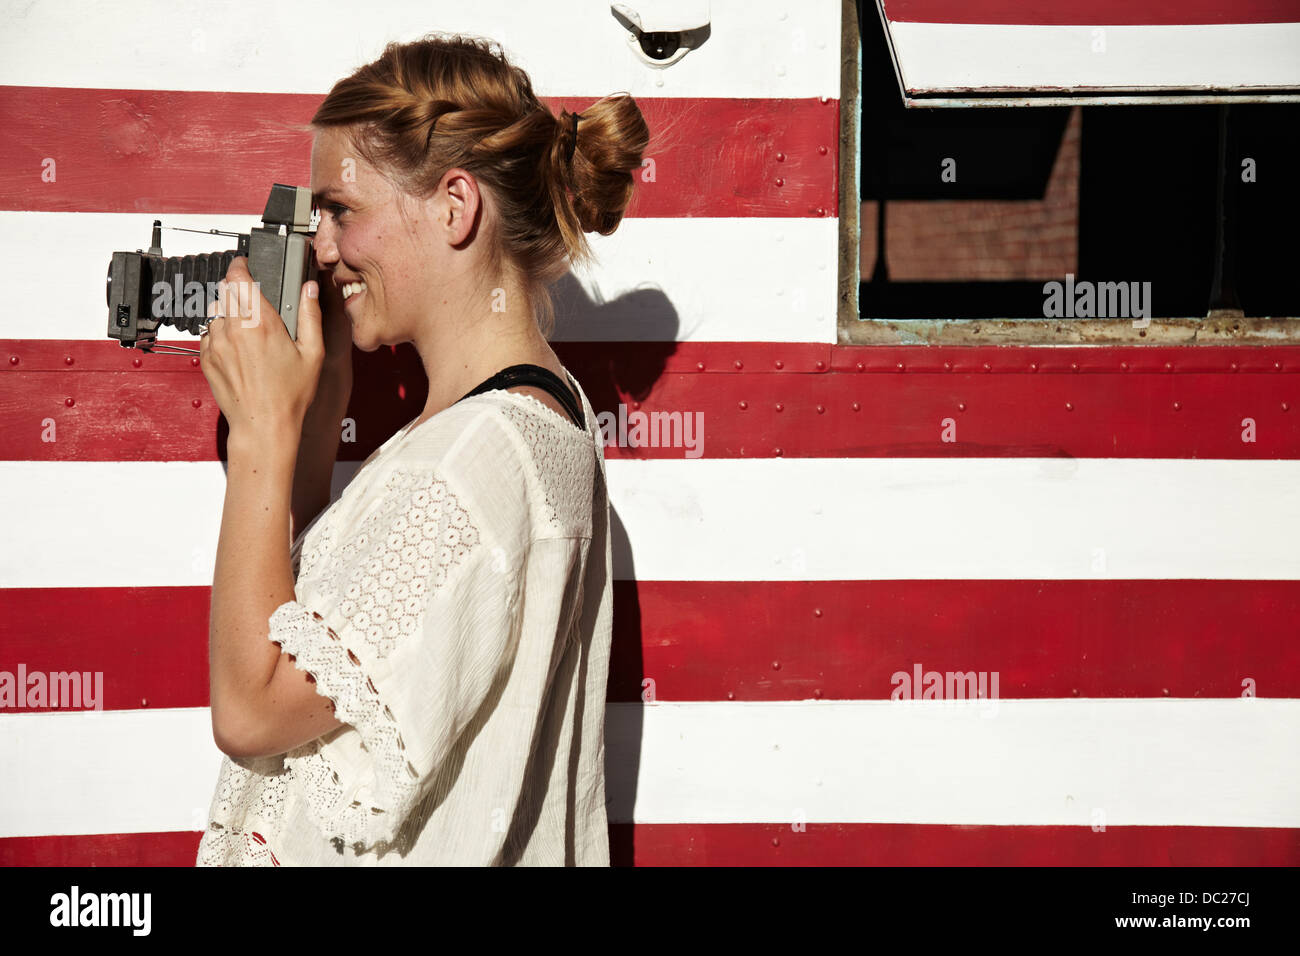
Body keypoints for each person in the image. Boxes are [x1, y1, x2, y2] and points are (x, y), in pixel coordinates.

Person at [193, 33, 649, 865]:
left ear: (453, 206)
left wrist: (259, 432)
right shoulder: (534, 421)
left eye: (342, 209)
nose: (321, 249)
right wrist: (319, 412)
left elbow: (251, 710)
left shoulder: (469, 464)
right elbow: (316, 647)